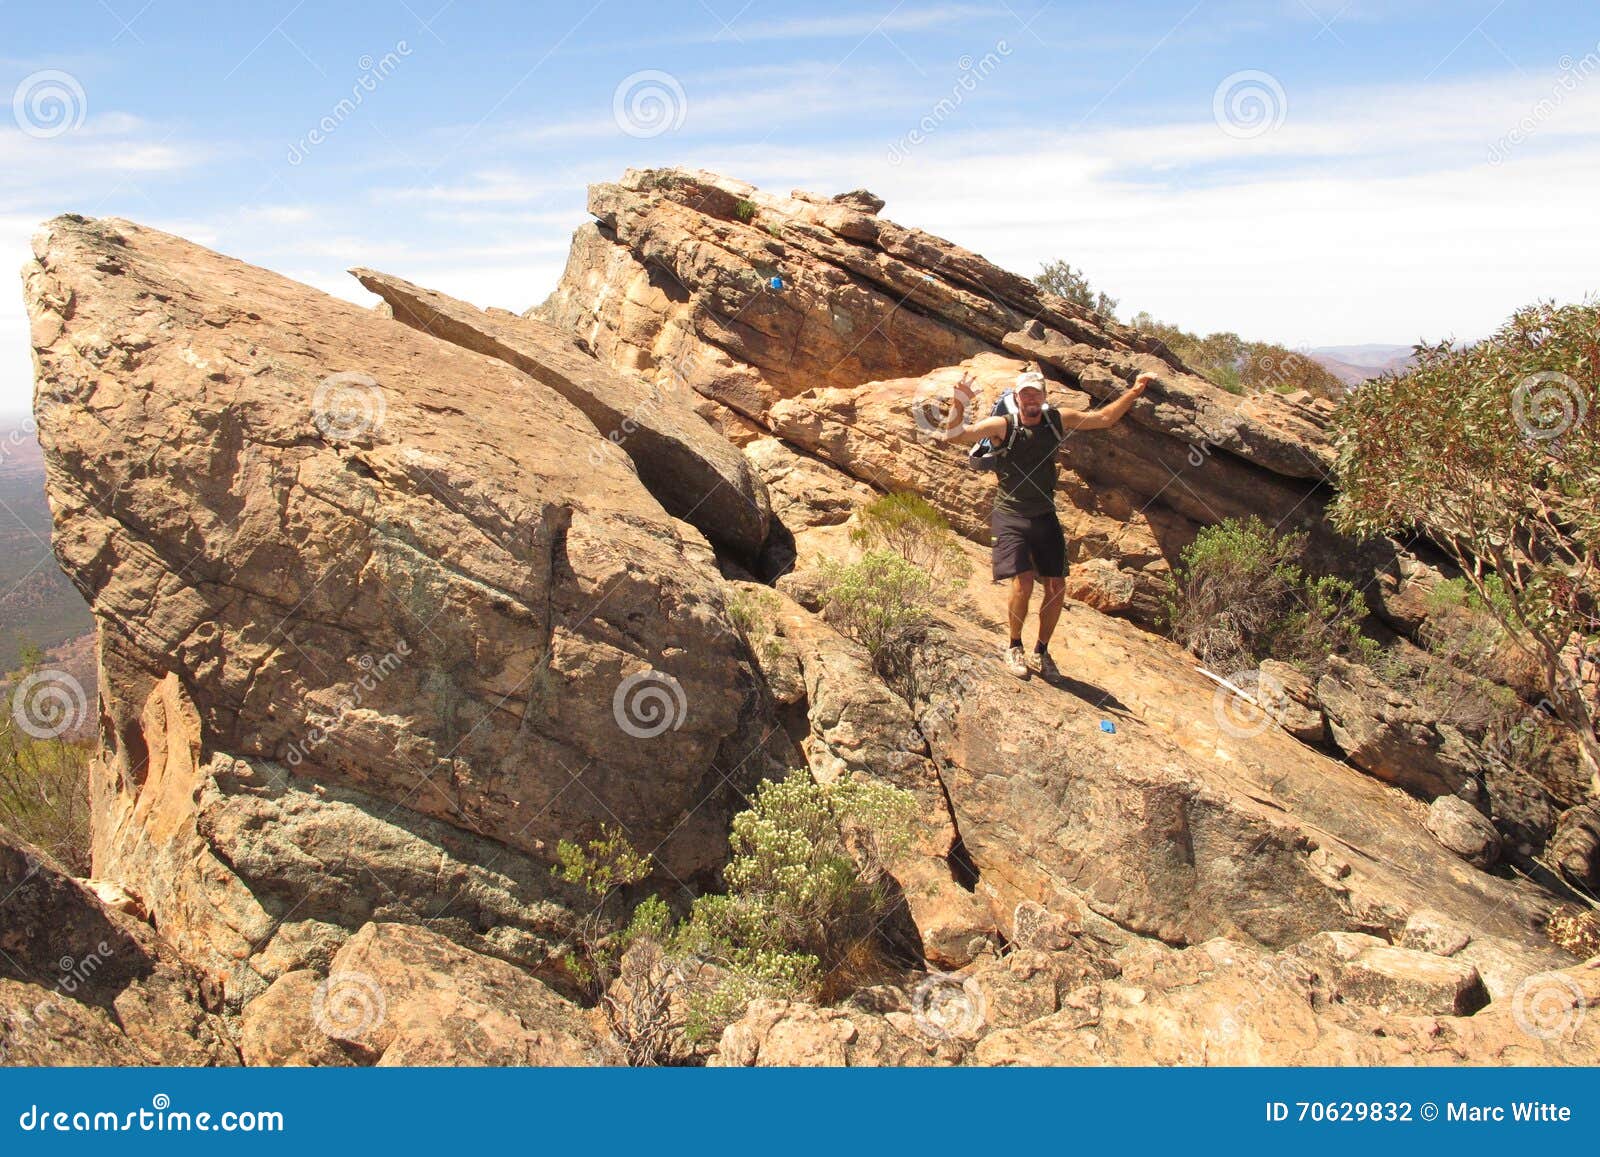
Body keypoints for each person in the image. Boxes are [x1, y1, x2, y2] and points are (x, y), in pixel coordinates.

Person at [937, 362, 1154, 679]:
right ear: (1017, 397)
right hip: (1011, 514)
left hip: (1044, 513)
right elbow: (955, 435)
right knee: (1023, 582)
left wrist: (1136, 390)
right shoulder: (1003, 425)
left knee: (1056, 585)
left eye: (1036, 394)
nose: (1030, 399)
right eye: (1025, 394)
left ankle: (1041, 651)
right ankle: (1014, 646)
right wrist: (959, 402)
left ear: (1043, 396)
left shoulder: (1057, 420)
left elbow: (1105, 418)